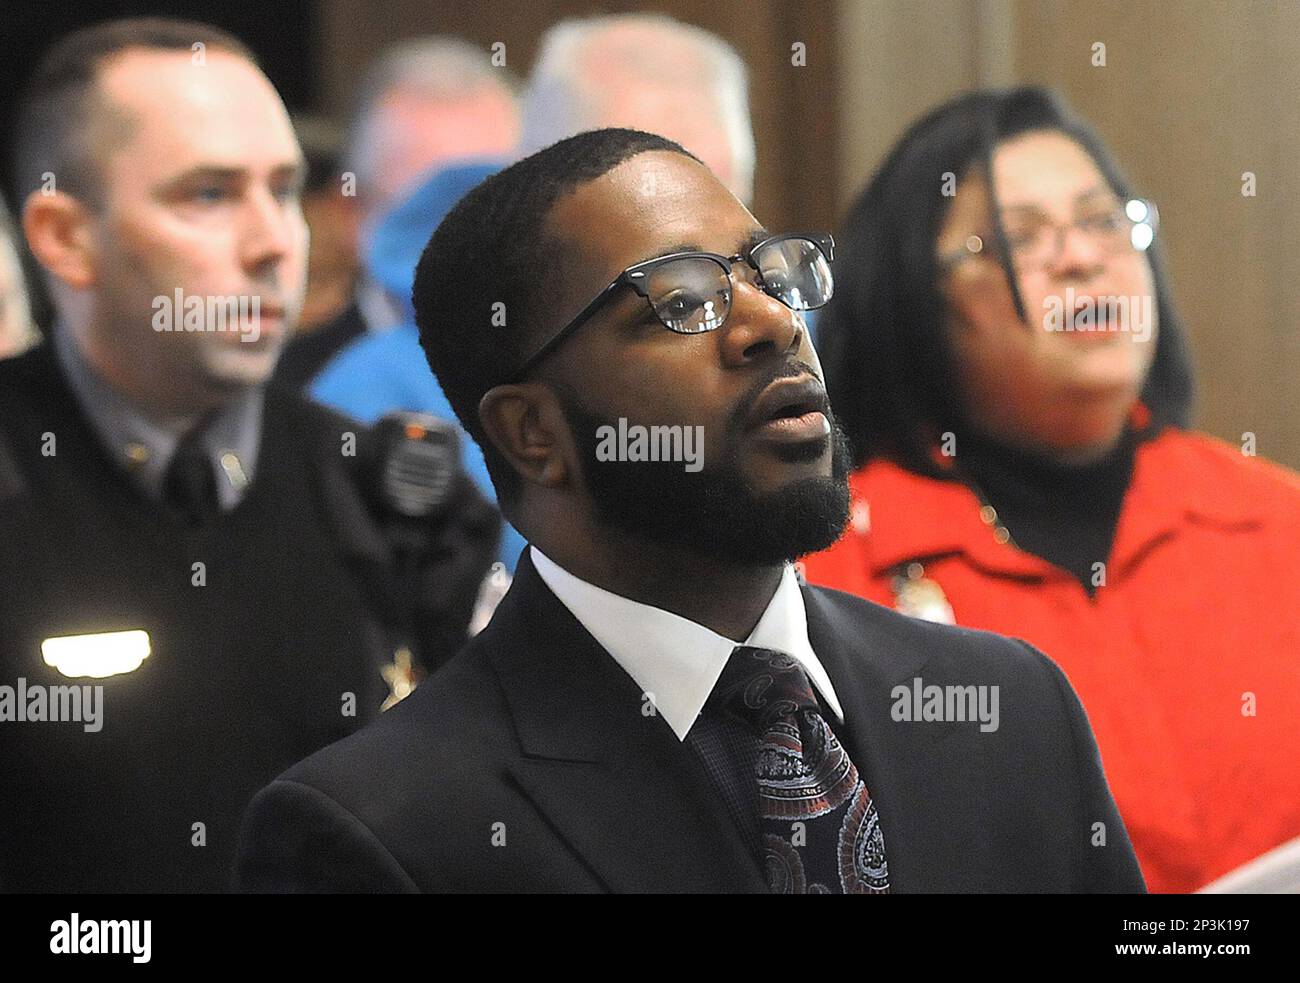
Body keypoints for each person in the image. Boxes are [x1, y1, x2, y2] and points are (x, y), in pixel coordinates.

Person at [234, 127, 1144, 894]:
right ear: (531, 431)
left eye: (773, 273)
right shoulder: (380, 830)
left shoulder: (1011, 707)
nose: (772, 323)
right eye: (681, 301)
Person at [0, 18, 498, 892]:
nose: (276, 243)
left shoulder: (392, 497)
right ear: (64, 236)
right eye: (209, 195)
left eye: (285, 187)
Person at [800, 87, 1300, 893]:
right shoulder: (829, 574)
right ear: (916, 303)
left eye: (1105, 221)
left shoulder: (1279, 521)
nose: (1079, 258)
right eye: (1014, 238)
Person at [311, 14, 758, 572]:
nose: (732, 304)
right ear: (539, 201)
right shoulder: (369, 397)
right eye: (662, 253)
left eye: (738, 241)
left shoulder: (799, 346)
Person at [273, 36, 520, 388]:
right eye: (431, 212)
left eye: (502, 202)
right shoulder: (293, 390)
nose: (471, 238)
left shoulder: (574, 370)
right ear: (351, 213)